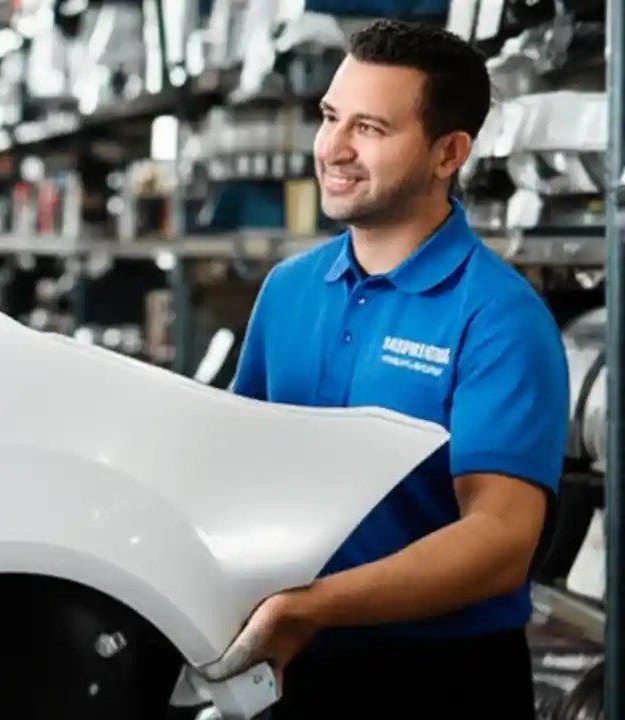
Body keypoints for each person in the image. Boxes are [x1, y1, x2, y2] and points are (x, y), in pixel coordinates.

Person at [201, 19, 569, 718]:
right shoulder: (289, 289)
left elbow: (499, 542)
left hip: (438, 680)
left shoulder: (497, 315)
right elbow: (237, 465)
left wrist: (313, 608)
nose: (334, 148)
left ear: (447, 153)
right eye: (330, 117)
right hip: (290, 659)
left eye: (369, 128)